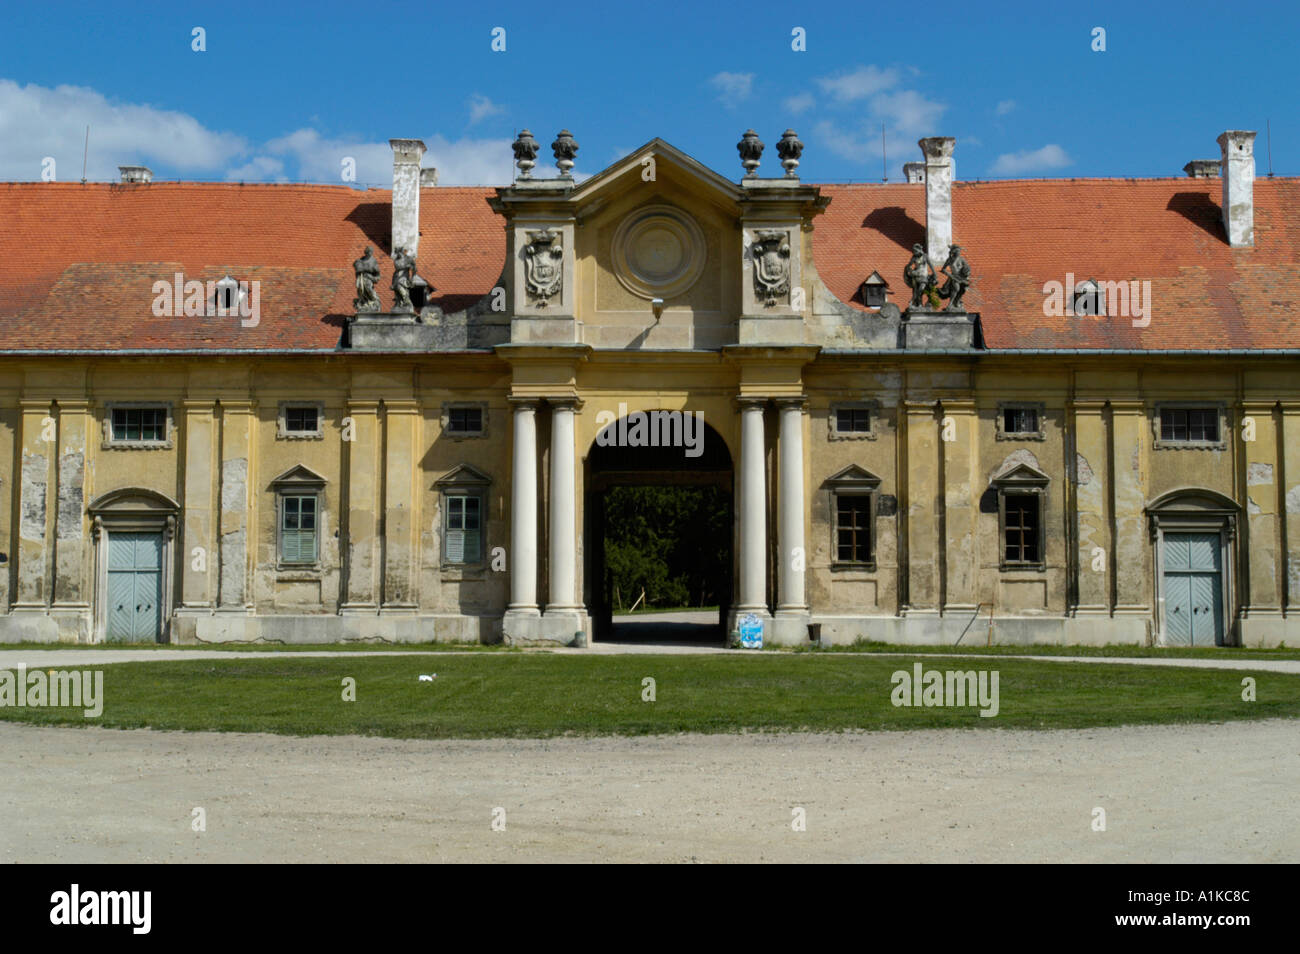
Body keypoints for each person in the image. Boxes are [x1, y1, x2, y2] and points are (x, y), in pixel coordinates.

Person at [938, 245, 971, 311]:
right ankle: (950, 304)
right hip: (954, 277)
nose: (959, 252)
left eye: (959, 251)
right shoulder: (950, 260)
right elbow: (943, 269)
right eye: (957, 251)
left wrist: (967, 273)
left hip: (961, 277)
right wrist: (949, 275)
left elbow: (967, 268)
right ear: (954, 251)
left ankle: (956, 302)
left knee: (962, 290)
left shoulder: (962, 259)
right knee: (956, 288)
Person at [903, 243, 935, 309]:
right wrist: (908, 268)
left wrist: (935, 274)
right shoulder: (914, 257)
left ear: (919, 250)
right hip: (916, 275)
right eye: (914, 251)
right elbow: (909, 264)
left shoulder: (925, 256)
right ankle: (919, 304)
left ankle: (919, 303)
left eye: (916, 251)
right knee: (916, 291)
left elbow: (931, 265)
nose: (915, 252)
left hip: (923, 275)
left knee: (921, 289)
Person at [352, 246, 381, 312]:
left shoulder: (373, 260)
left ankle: (374, 300)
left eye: (371, 252)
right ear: (366, 252)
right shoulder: (362, 259)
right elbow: (356, 265)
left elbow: (377, 272)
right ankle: (365, 301)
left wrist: (375, 277)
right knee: (361, 290)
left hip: (369, 278)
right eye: (368, 252)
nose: (369, 253)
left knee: (368, 288)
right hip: (362, 277)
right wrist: (358, 266)